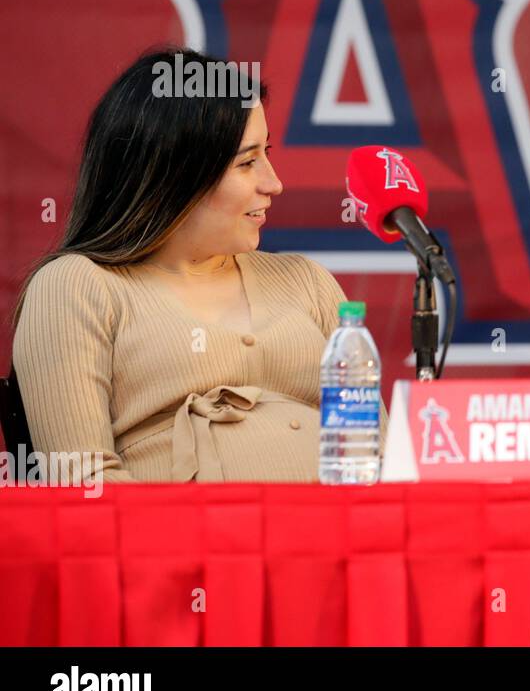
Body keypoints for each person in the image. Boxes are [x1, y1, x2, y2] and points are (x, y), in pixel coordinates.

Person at [11, 48, 386, 482]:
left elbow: (383, 457)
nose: (274, 183)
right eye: (247, 162)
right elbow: (83, 486)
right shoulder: (75, 287)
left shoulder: (306, 281)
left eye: (267, 153)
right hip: (177, 548)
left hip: (345, 542)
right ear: (173, 174)